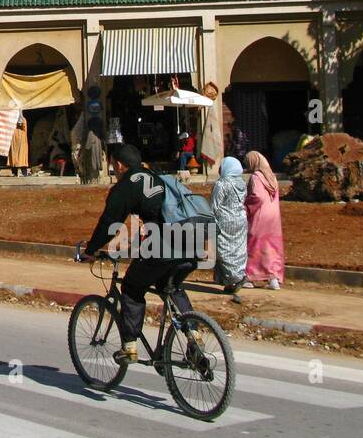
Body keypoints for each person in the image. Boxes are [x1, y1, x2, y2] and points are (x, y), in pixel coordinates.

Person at [82, 143, 196, 364]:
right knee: (171, 286)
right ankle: (194, 334)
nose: (114, 171)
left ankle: (129, 347)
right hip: (190, 244)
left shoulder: (126, 186)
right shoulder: (156, 176)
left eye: (113, 167)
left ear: (119, 165)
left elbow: (110, 223)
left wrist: (91, 249)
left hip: (162, 246)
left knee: (132, 288)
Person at [243, 150, 285, 290]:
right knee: (272, 247)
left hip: (260, 216)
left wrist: (246, 206)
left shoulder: (256, 177)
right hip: (273, 218)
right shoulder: (271, 176)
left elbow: (258, 197)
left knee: (255, 245)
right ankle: (273, 278)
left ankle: (250, 277)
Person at [210, 157, 248, 296]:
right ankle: (233, 278)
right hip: (241, 221)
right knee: (238, 250)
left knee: (223, 250)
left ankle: (235, 278)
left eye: (221, 166)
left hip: (225, 222)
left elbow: (214, 205)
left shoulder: (222, 184)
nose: (220, 169)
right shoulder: (242, 182)